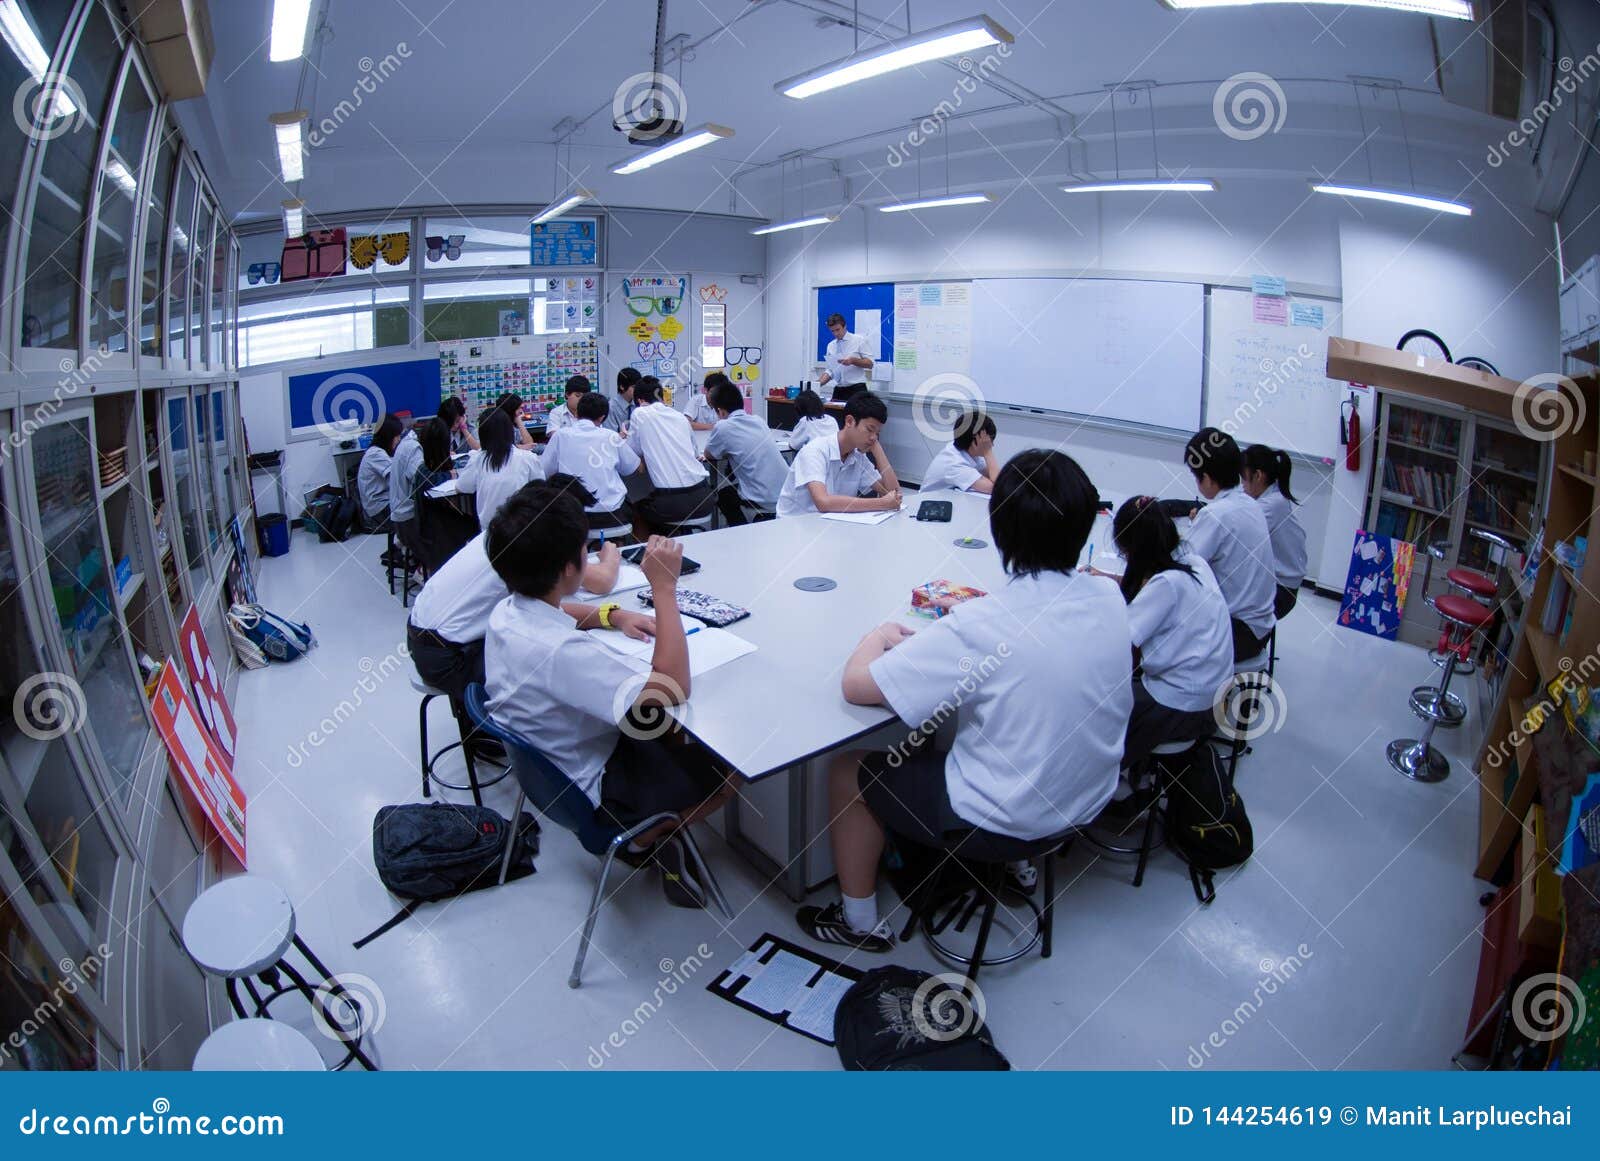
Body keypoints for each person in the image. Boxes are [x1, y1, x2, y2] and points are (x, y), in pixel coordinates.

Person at [795, 450, 1132, 951]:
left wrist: (879, 633)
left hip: (1008, 817)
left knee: (848, 770)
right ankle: (1019, 867)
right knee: (999, 721)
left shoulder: (983, 624)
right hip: (1087, 797)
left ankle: (857, 920)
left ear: (999, 529)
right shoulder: (1108, 597)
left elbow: (857, 687)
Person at [484, 487, 735, 908]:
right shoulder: (562, 654)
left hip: (551, 768)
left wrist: (612, 615)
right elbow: (675, 685)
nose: (592, 556)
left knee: (664, 726)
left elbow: (561, 613)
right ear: (569, 568)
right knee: (731, 765)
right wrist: (664, 590)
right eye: (586, 550)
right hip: (594, 787)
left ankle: (657, 818)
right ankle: (643, 840)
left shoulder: (506, 612)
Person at [410, 476, 622, 703]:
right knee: (562, 671)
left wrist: (609, 615)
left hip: (425, 636)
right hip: (448, 657)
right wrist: (611, 554)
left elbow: (541, 611)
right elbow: (602, 581)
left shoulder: (503, 534)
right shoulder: (530, 543)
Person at [1103, 496, 1233, 769]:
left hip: (1181, 706)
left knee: (1095, 711)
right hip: (1213, 697)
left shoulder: (1167, 584)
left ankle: (1108, 790)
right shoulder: (1194, 562)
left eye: (1125, 552)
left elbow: (1117, 644)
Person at [1182, 427, 1276, 662]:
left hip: (1238, 633)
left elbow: (1180, 569)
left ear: (1205, 477)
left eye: (1196, 476)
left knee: (1157, 628)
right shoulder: (1251, 504)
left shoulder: (1216, 514)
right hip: (1262, 628)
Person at [775, 390, 901, 517]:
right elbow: (823, 502)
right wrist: (881, 503)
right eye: (870, 429)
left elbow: (894, 494)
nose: (874, 437)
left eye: (878, 433)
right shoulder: (815, 450)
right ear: (850, 421)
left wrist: (877, 449)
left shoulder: (858, 457)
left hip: (828, 524)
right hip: (794, 526)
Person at [541, 391, 641, 533]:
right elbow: (632, 468)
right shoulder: (611, 436)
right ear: (602, 418)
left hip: (573, 516)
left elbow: (544, 471)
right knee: (637, 504)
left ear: (577, 413)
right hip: (612, 515)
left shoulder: (560, 435)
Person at [627, 376, 716, 535]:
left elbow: (631, 453)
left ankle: (648, 555)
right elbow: (695, 453)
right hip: (703, 497)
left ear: (639, 401)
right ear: (661, 397)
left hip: (670, 503)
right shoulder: (680, 416)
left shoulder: (640, 413)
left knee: (635, 508)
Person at [705, 379, 787, 524]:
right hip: (785, 493)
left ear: (720, 411)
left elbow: (709, 455)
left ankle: (742, 530)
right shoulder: (759, 421)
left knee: (723, 495)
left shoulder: (723, 426)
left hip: (763, 499)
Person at [1242, 444, 1307, 619]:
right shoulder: (1272, 496)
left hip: (1281, 592)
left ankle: (1247, 643)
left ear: (1257, 476)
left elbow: (1237, 526)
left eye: (1243, 478)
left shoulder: (1270, 505)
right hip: (1279, 583)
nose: (1242, 485)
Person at [456, 409, 544, 528]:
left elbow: (462, 487)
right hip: (523, 527)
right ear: (509, 431)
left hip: (490, 530)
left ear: (482, 434)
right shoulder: (528, 458)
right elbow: (540, 489)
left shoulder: (478, 458)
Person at [921, 410, 1000, 494]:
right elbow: (996, 488)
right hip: (929, 503)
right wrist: (988, 452)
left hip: (949, 497)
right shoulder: (954, 463)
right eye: (988, 442)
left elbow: (997, 478)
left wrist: (987, 452)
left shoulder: (966, 450)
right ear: (976, 441)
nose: (991, 445)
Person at [357, 413, 403, 529]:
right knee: (417, 512)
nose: (399, 439)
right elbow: (397, 479)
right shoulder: (376, 454)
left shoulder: (379, 452)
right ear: (388, 436)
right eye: (397, 436)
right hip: (379, 509)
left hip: (382, 504)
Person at [388, 419, 425, 561]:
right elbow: (420, 478)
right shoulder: (413, 448)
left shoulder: (404, 445)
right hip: (407, 518)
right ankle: (424, 567)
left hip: (398, 514)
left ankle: (404, 546)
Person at [818, 312, 874, 402]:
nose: (836, 333)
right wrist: (817, 384)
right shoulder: (831, 346)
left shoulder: (859, 340)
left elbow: (870, 364)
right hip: (839, 389)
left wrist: (853, 361)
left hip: (857, 389)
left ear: (845, 326)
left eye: (838, 329)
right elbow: (830, 370)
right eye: (832, 331)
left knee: (857, 415)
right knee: (834, 414)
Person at [607, 367, 640, 433]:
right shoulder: (610, 407)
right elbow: (611, 435)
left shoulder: (639, 403)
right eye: (634, 387)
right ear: (622, 387)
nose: (638, 390)